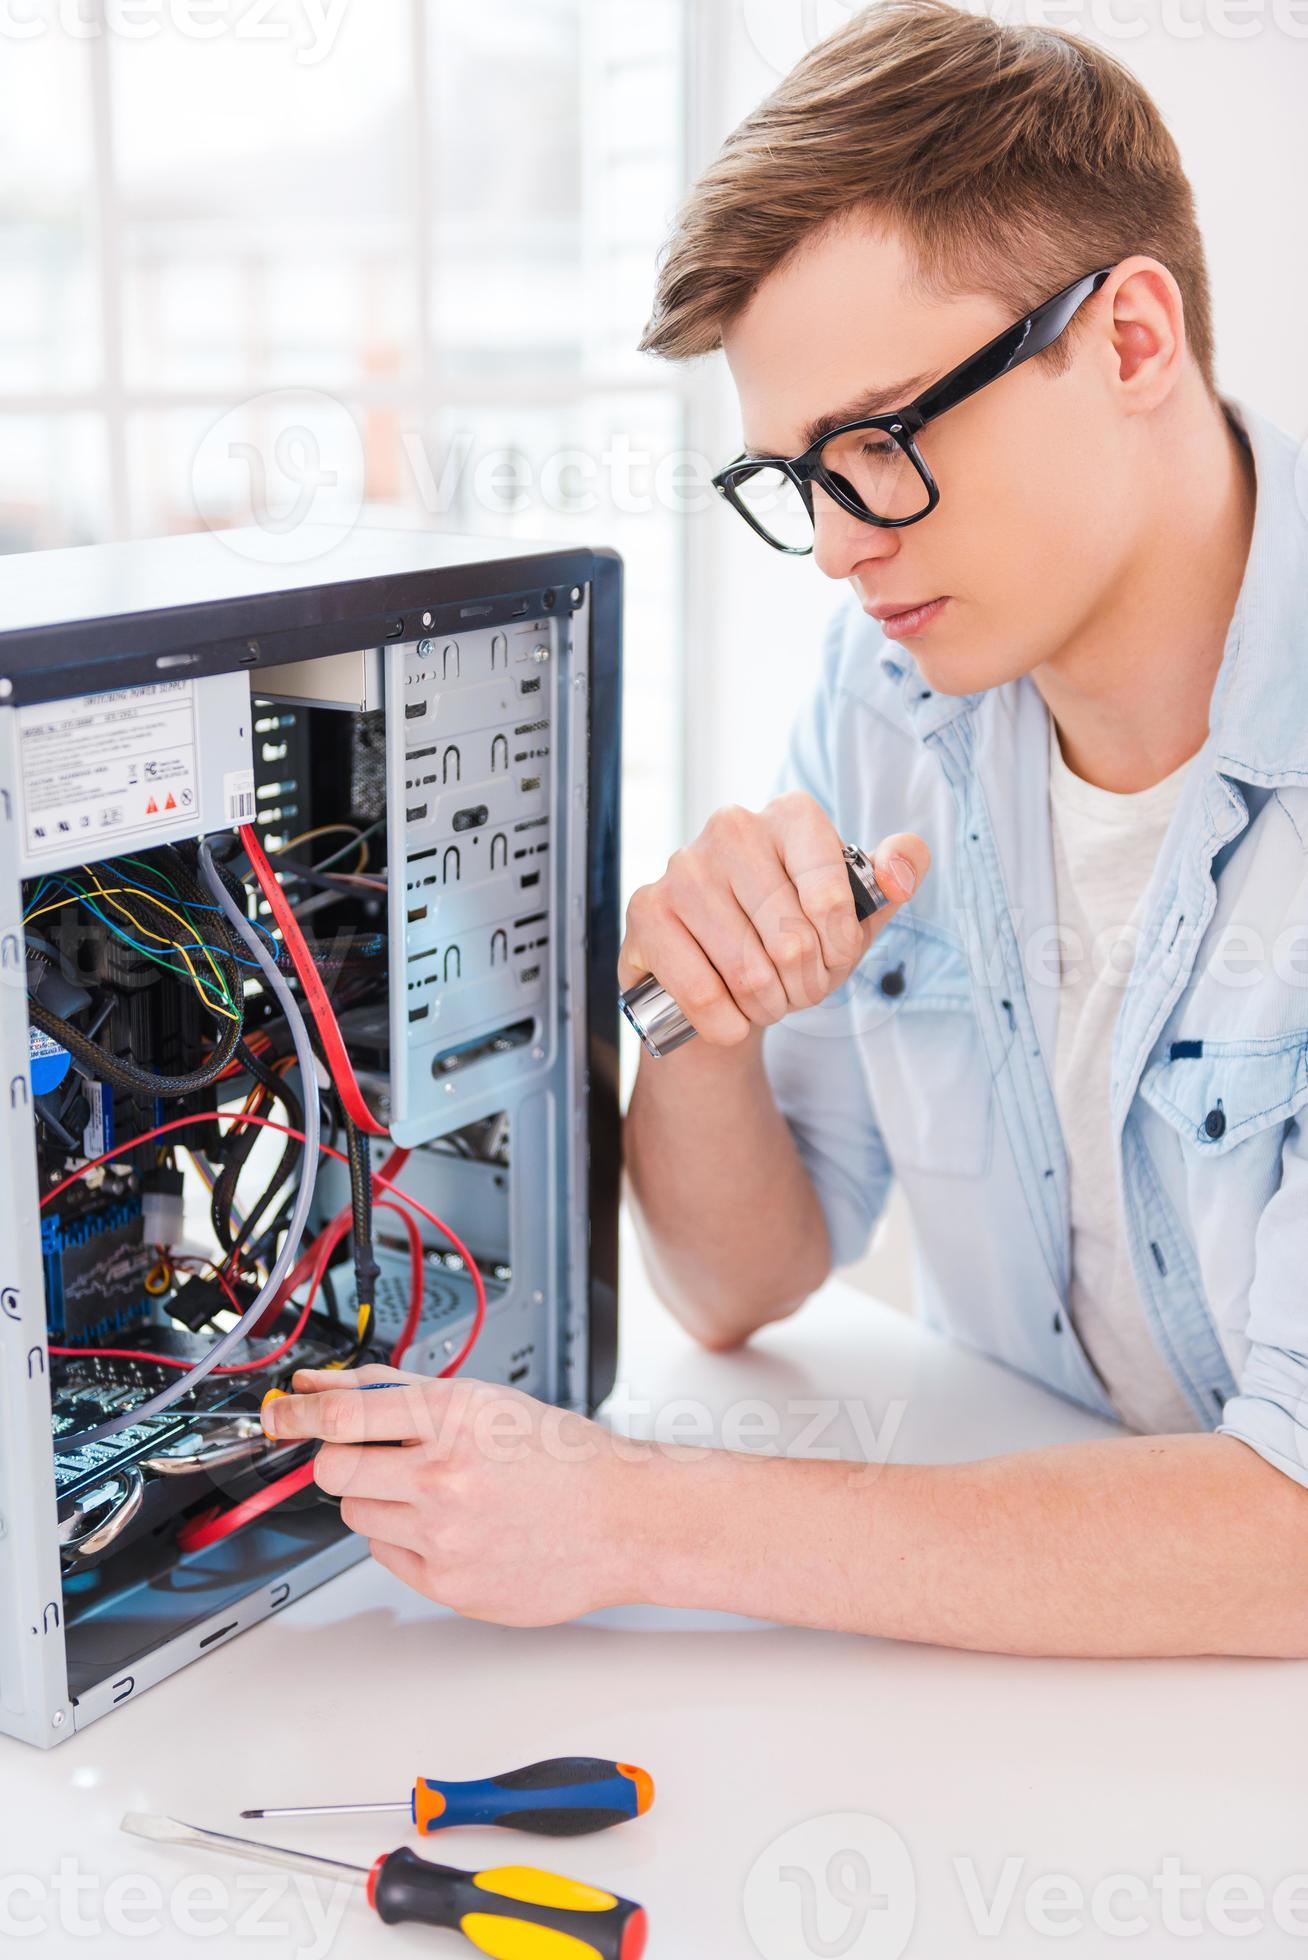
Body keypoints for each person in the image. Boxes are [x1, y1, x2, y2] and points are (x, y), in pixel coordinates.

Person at [266, 0, 1308, 1657]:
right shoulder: (901, 691)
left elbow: (1291, 1534)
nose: (837, 549)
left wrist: (628, 1515)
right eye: (794, 478)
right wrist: (695, 1025)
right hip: (1051, 1681)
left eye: (880, 445)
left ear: (1128, 340)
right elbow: (740, 1283)